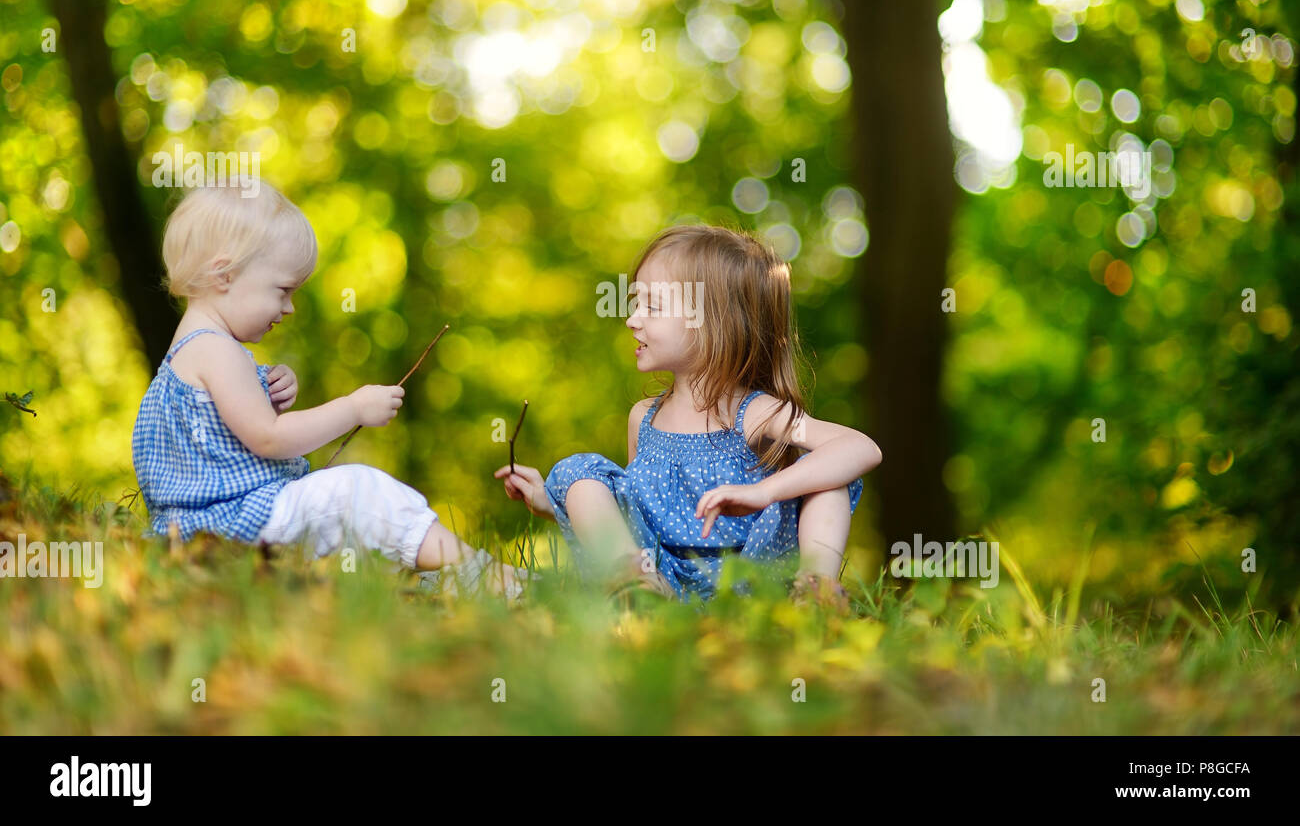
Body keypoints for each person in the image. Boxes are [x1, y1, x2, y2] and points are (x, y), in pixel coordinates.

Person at [131, 178, 526, 599]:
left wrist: (268, 393)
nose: (289, 308)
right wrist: (353, 409)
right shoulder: (217, 351)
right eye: (282, 290)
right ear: (224, 274)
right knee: (359, 492)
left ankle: (444, 576)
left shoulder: (187, 353)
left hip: (205, 528)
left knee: (347, 516)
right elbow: (268, 438)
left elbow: (223, 446)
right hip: (236, 524)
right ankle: (481, 574)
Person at [496, 224, 882, 609]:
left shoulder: (755, 413)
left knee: (829, 472)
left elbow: (861, 448)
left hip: (749, 584)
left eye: (653, 306)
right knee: (576, 471)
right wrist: (550, 502)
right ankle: (635, 588)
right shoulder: (643, 418)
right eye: (635, 303)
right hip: (663, 582)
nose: (632, 319)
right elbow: (637, 514)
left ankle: (812, 591)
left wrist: (763, 492)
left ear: (716, 321)